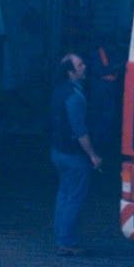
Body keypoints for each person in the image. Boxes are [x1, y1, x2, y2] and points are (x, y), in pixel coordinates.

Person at [48, 52, 103, 254]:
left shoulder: (59, 91)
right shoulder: (75, 97)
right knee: (73, 198)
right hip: (74, 156)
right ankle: (66, 242)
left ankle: (60, 235)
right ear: (71, 72)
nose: (84, 67)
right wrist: (93, 155)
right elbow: (80, 130)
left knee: (64, 196)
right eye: (80, 65)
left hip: (58, 152)